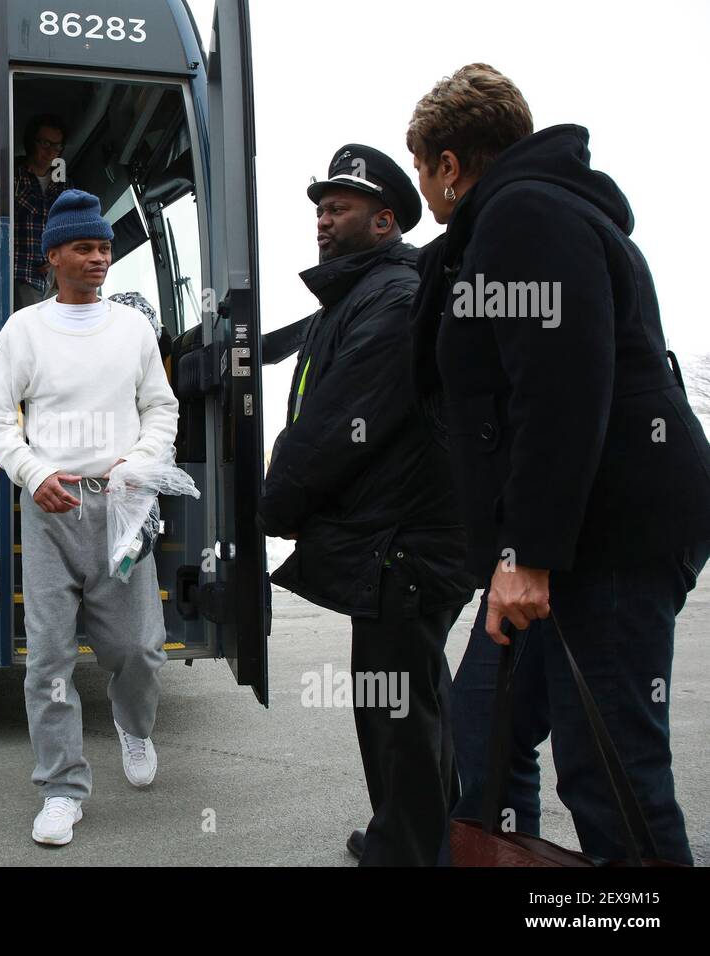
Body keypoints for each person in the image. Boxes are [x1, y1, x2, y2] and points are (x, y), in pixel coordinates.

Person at [407, 63, 710, 864]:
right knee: (483, 721)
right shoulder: (520, 219)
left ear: (446, 164)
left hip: (605, 537)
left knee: (609, 770)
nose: (425, 195)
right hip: (563, 538)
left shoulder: (525, 214)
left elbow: (563, 391)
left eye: (421, 171)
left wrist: (531, 556)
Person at [257, 145, 474, 866]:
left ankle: (411, 852)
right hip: (398, 543)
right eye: (320, 207)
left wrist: (276, 504)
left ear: (385, 221)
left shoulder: (395, 298)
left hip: (404, 545)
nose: (323, 219)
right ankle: (414, 835)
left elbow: (339, 423)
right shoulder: (361, 296)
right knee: (409, 704)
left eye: (339, 208)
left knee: (398, 711)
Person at [0, 189, 180, 847]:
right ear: (54, 256)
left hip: (121, 505)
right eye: (85, 247)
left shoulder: (132, 330)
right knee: (50, 659)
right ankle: (62, 790)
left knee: (139, 650)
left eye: (103, 247)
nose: (98, 257)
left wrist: (143, 461)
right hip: (49, 509)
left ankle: (133, 722)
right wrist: (34, 475)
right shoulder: (25, 329)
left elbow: (161, 409)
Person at [14, 114, 70, 308]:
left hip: (54, 280)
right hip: (19, 274)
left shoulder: (64, 185)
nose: (50, 152)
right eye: (45, 144)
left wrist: (61, 256)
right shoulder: (11, 173)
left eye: (57, 146)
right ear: (31, 142)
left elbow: (71, 230)